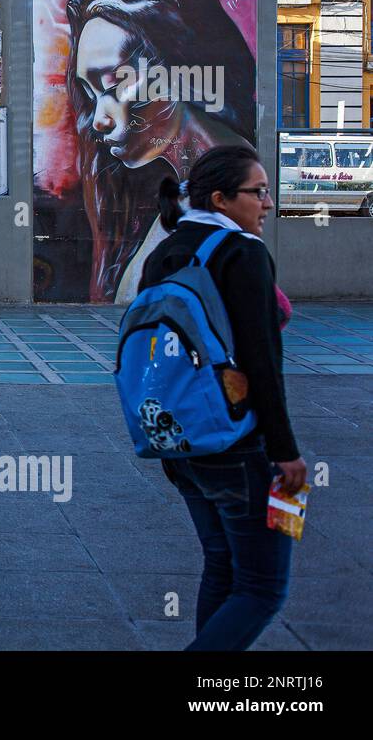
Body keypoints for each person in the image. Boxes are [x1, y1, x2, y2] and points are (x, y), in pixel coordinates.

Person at [142, 144, 305, 651]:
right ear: (221, 199)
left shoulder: (164, 253)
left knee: (222, 563)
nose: (268, 204)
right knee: (261, 588)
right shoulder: (243, 253)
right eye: (258, 193)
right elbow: (262, 360)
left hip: (177, 438)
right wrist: (285, 451)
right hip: (236, 442)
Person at [65, 0, 256, 304]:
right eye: (91, 93)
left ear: (179, 68)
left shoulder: (222, 191)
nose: (99, 120)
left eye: (114, 83)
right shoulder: (193, 188)